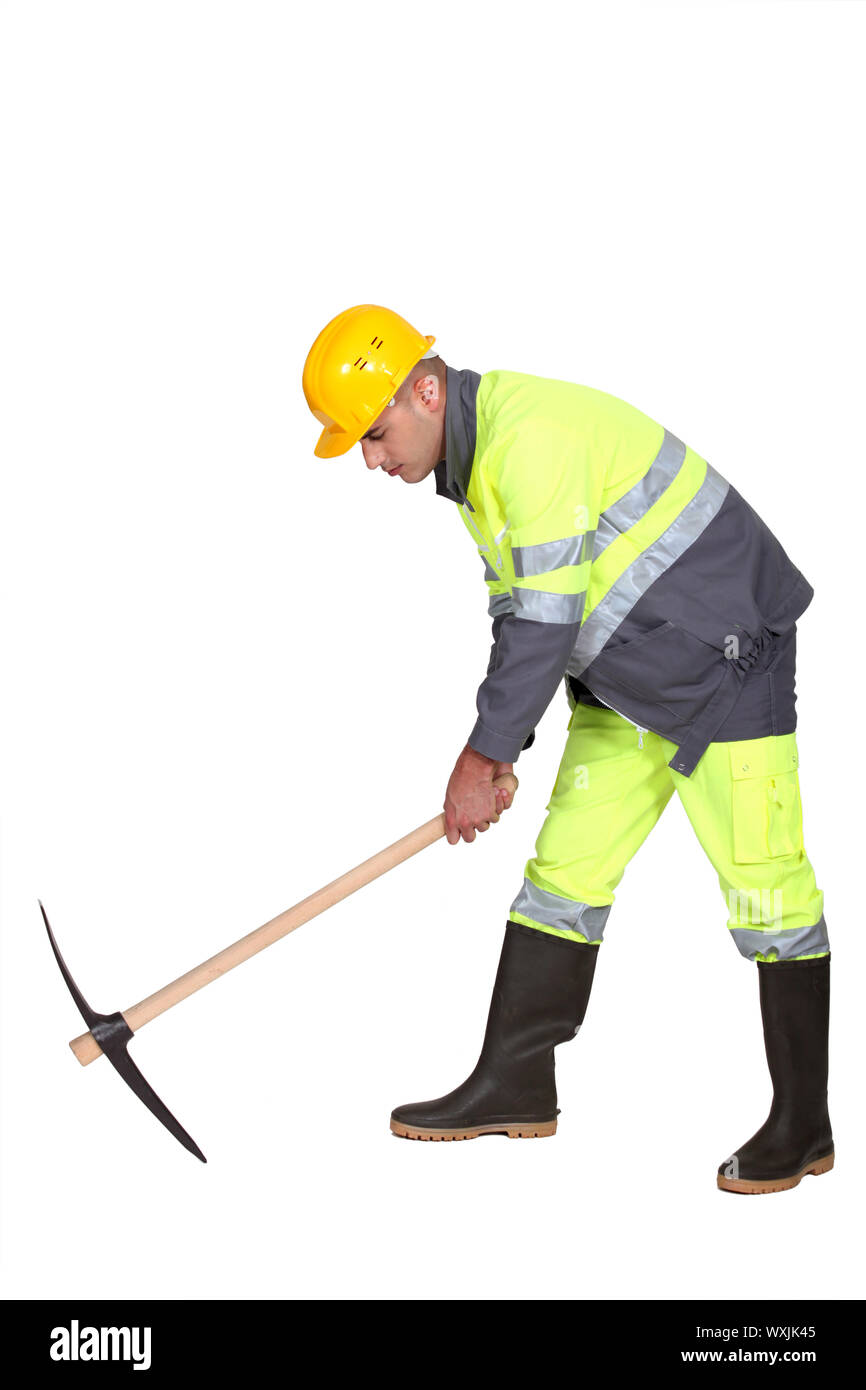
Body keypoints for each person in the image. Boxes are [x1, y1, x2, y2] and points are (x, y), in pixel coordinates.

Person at [302, 304, 832, 1195]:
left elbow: (545, 618)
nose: (371, 459)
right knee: (562, 879)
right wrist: (503, 750)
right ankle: (516, 1080)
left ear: (425, 391)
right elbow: (527, 609)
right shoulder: (475, 467)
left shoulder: (528, 440)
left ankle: (804, 1124)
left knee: (768, 891)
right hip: (634, 681)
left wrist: (483, 754)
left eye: (376, 432)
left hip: (729, 659)